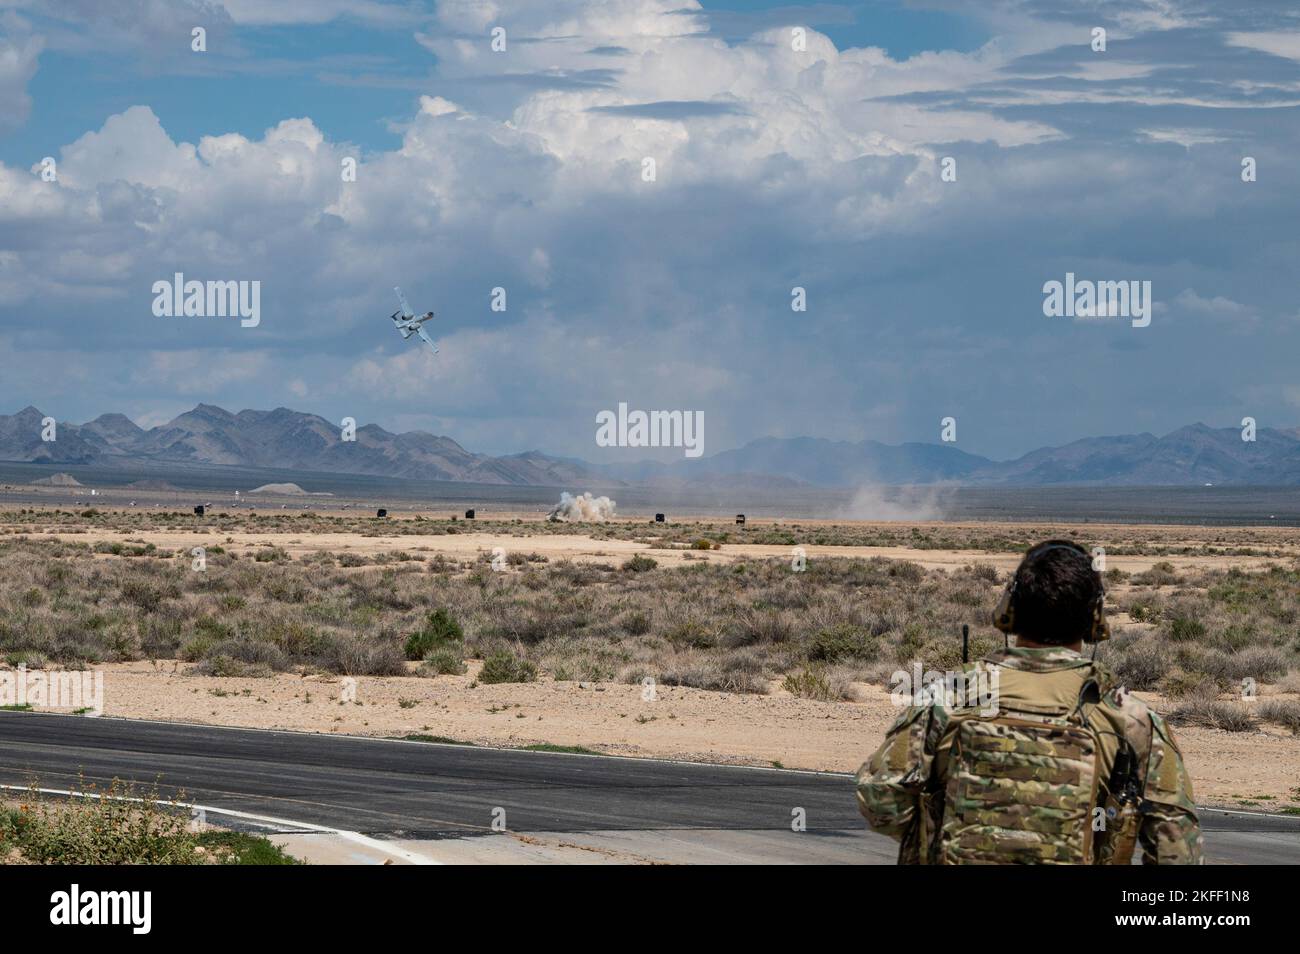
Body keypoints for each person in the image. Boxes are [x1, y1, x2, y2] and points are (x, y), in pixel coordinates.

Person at [855, 540, 1202, 864]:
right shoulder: (1131, 719)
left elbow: (881, 803)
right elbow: (1177, 848)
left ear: (1010, 610)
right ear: (1096, 621)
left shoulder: (949, 697)